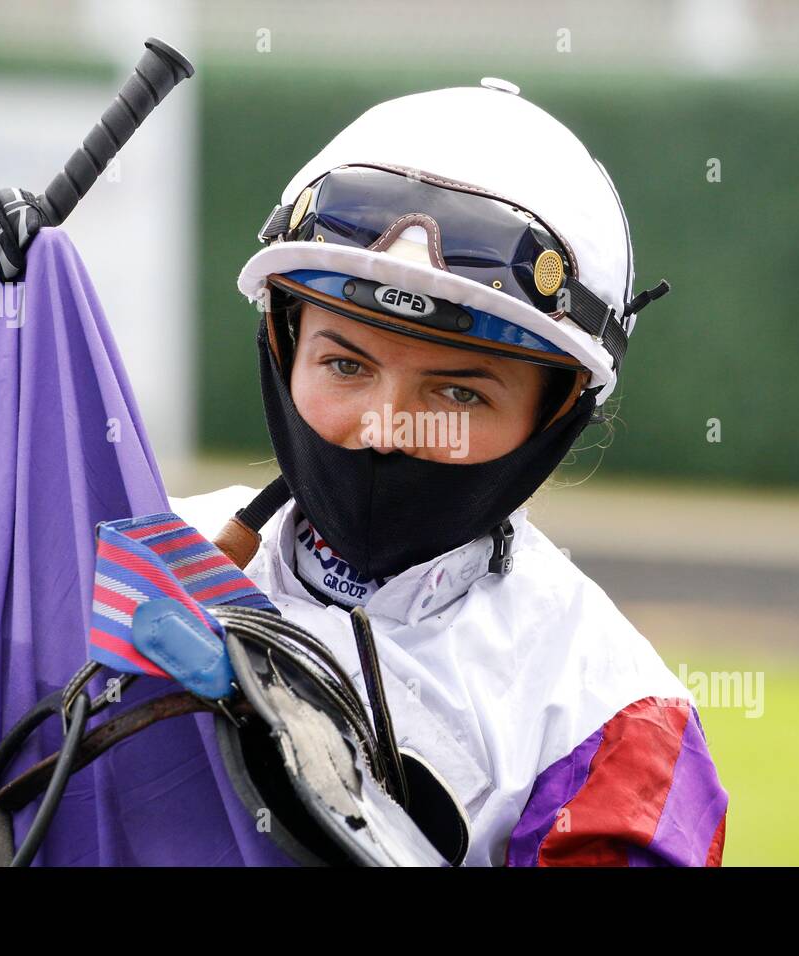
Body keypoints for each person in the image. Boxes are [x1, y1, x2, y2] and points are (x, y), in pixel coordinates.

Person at [163, 78, 729, 866]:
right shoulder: (133, 555)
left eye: (458, 391)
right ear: (282, 346)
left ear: (556, 413)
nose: (385, 426)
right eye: (344, 364)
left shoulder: (614, 717)